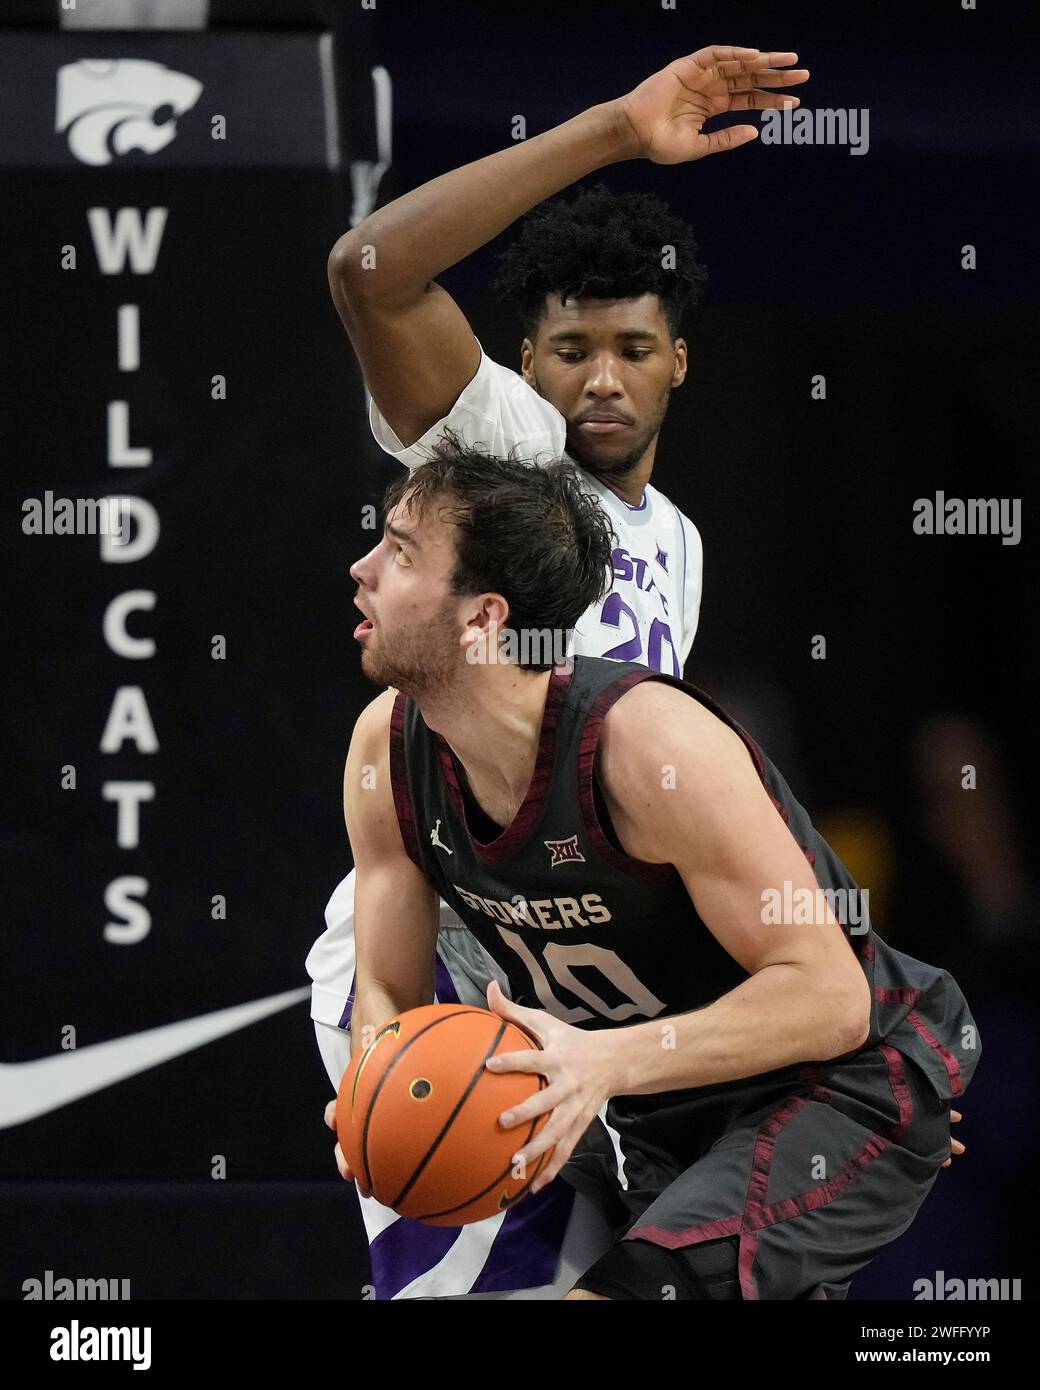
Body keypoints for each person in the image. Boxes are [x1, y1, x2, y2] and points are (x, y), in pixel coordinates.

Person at [307, 42, 813, 1298]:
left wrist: (852, 1091)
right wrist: (609, 129)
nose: (599, 375)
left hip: (592, 990)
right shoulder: (500, 452)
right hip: (451, 964)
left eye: (632, 348)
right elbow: (366, 271)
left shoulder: (676, 541)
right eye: (569, 346)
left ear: (678, 361)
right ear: (520, 368)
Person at [328, 440, 979, 1300]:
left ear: (484, 617)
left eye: (400, 552)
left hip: (836, 1079)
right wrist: (385, 1092)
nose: (361, 568)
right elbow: (388, 984)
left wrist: (602, 1062)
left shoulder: (648, 747)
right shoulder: (385, 749)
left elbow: (830, 998)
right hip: (654, 1101)